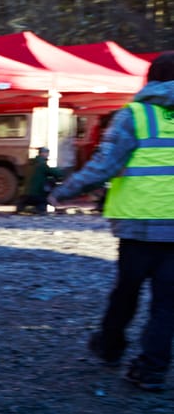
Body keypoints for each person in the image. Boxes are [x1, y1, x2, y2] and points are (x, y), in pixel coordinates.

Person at [49, 51, 174, 391]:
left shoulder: (134, 116)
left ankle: (109, 347)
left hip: (139, 222)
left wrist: (64, 191)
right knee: (167, 303)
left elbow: (104, 165)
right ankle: (152, 370)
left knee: (126, 291)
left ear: (150, 80)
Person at [15, 146, 61, 215]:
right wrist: (60, 171)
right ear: (42, 153)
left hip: (24, 195)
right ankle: (39, 208)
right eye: (47, 153)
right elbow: (56, 173)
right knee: (50, 183)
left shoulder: (30, 163)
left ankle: (21, 207)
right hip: (36, 196)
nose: (48, 155)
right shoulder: (42, 165)